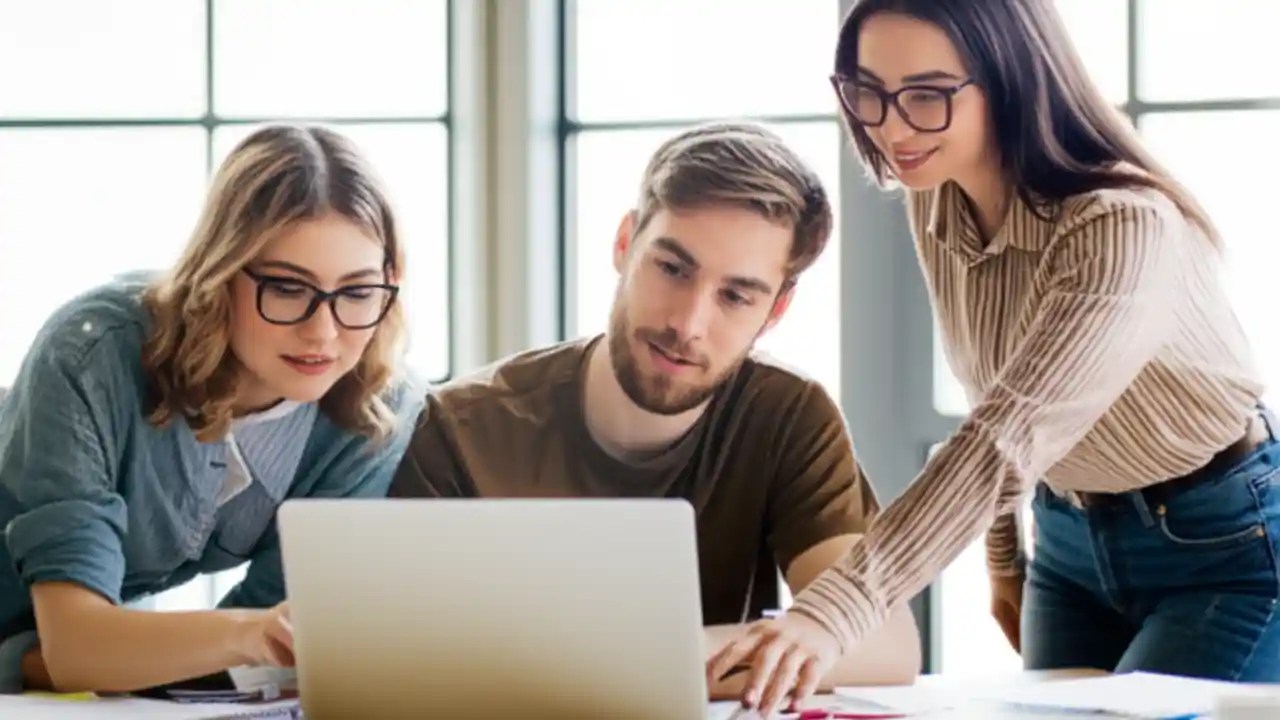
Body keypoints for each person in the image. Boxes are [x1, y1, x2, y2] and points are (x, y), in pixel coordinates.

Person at [709, 0, 1280, 714]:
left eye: (926, 95)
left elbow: (1010, 433)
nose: (890, 127)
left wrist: (832, 611)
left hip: (1222, 540)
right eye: (868, 92)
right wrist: (1006, 557)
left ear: (1010, 77)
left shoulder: (1123, 225)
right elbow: (999, 381)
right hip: (1069, 538)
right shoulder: (937, 195)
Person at [390, 122, 922, 696]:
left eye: (736, 296)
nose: (687, 324)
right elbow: (401, 660)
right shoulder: (460, 426)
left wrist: (605, 666)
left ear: (775, 310)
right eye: (672, 268)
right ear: (625, 243)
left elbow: (883, 643)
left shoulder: (788, 416)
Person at [0, 125, 423, 693]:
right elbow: (80, 647)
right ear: (220, 274)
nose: (323, 332)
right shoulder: (92, 350)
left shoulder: (376, 408)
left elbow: (275, 649)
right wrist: (246, 637)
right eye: (287, 288)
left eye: (357, 292)